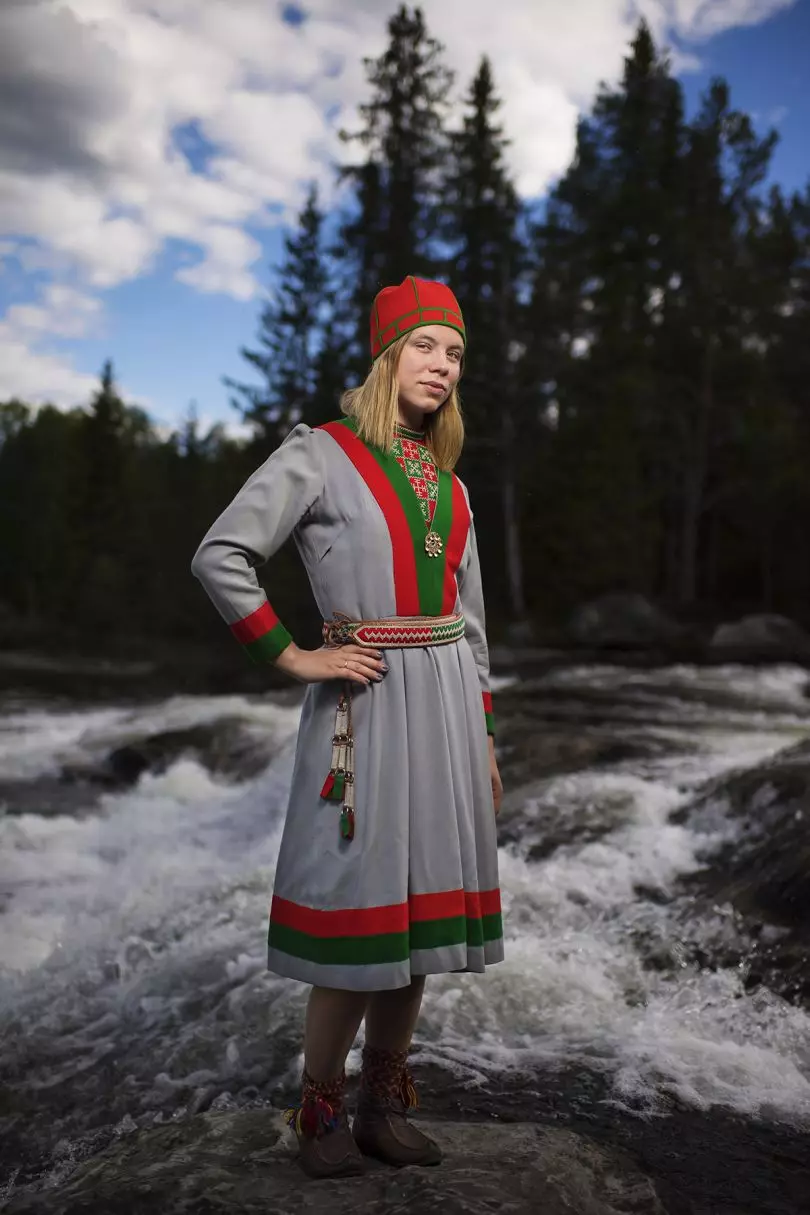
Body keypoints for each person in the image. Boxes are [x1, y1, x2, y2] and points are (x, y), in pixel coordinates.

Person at [190, 275, 504, 1179]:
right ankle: (318, 1109)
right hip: (365, 705)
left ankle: (381, 1106)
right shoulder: (320, 454)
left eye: (454, 353)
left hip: (446, 705)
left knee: (420, 917)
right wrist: (293, 656)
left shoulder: (454, 486)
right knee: (360, 922)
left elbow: (472, 624)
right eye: (425, 347)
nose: (442, 365)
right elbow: (221, 554)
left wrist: (483, 736)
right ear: (385, 357)